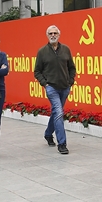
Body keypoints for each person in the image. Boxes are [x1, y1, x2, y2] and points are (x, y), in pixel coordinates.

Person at [34, 25, 76, 155]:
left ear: (59, 34)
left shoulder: (66, 50)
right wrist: (45, 84)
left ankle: (48, 134)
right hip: (51, 87)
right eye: (50, 33)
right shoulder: (42, 52)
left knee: (56, 113)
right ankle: (62, 144)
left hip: (64, 87)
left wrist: (70, 81)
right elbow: (37, 71)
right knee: (58, 112)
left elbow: (71, 68)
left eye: (55, 33)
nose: (53, 35)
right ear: (47, 35)